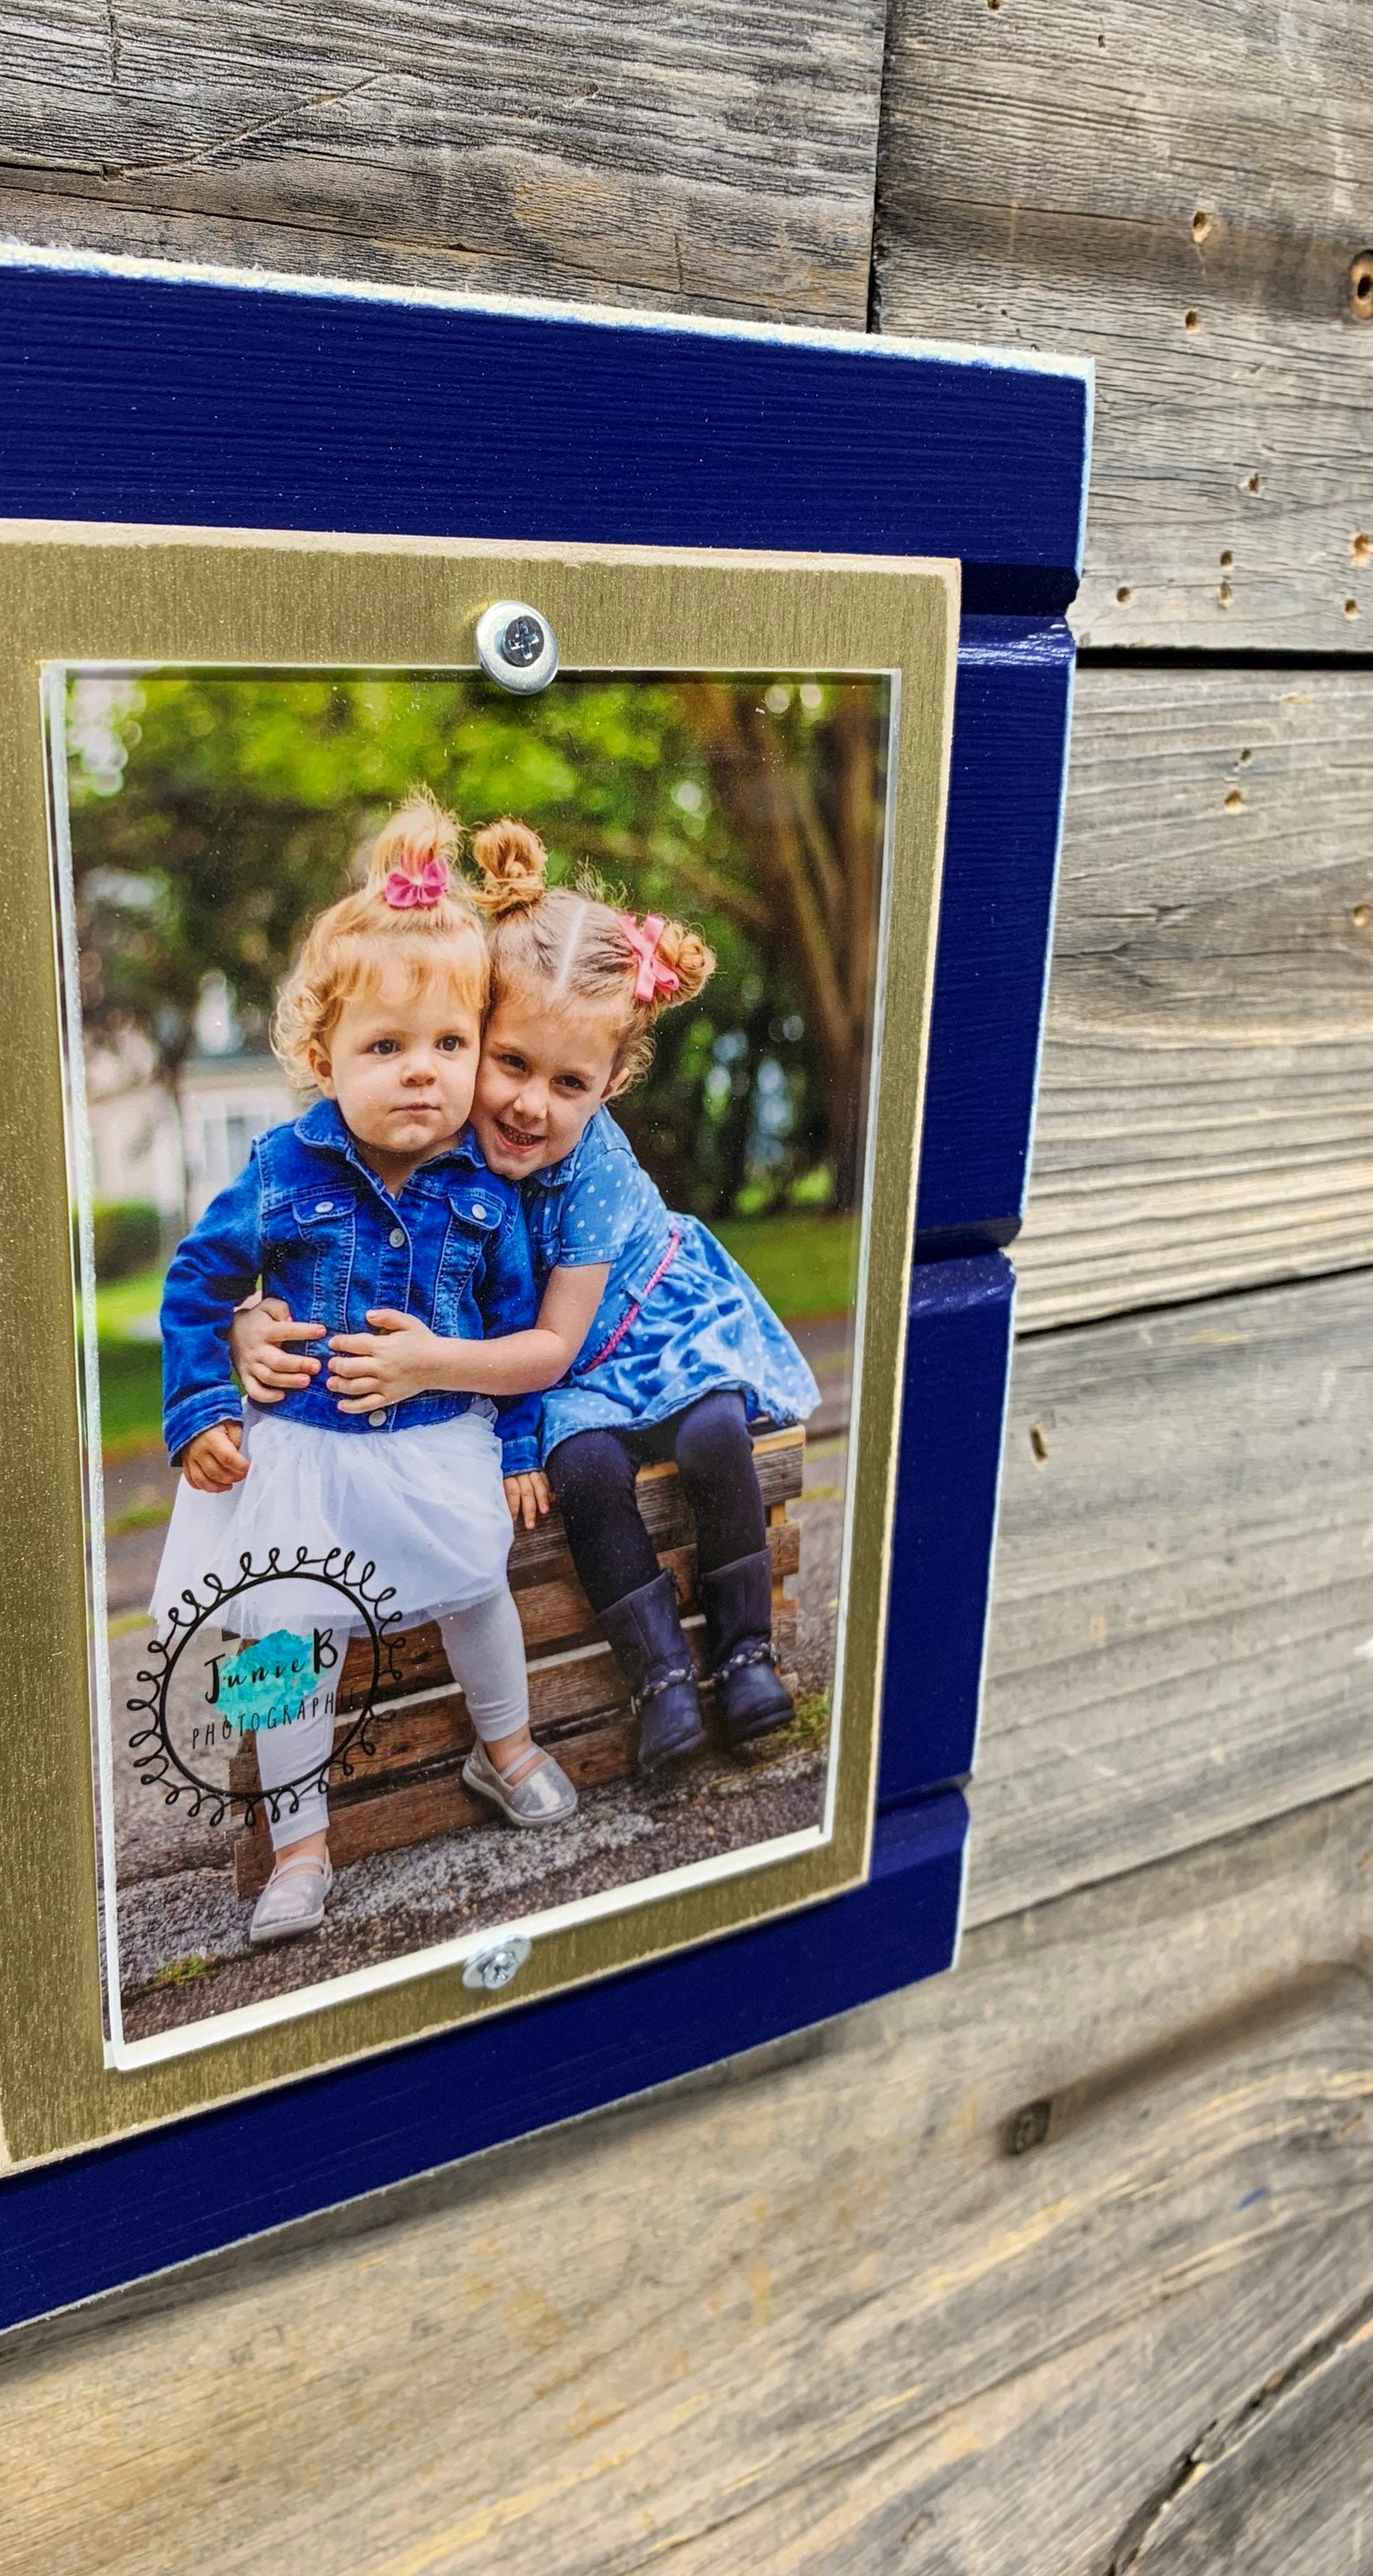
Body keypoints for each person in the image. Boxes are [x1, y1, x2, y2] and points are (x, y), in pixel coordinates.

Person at [236, 819, 819, 1784]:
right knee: (586, 1475)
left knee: (716, 1434)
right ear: (470, 1033)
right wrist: (253, 1314)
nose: (529, 1106)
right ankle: (658, 1678)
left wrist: (427, 1363)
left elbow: (554, 1345)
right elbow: (320, 1231)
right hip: (554, 1380)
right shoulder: (429, 1134)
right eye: (508, 1062)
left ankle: (744, 1652)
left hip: (635, 1334)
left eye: (569, 1082)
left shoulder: (591, 1171)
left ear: (612, 1084)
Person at [154, 796, 578, 1953]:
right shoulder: (280, 1172)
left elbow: (514, 1330)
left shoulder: (486, 1194)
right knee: (289, 1639)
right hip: (303, 1456)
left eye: (449, 1046)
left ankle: (507, 1749)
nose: (422, 1076)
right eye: (384, 1049)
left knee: (479, 1586)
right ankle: (294, 1845)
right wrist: (199, 1406)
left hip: (437, 1447)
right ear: (319, 1056)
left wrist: (523, 1447)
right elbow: (195, 1288)